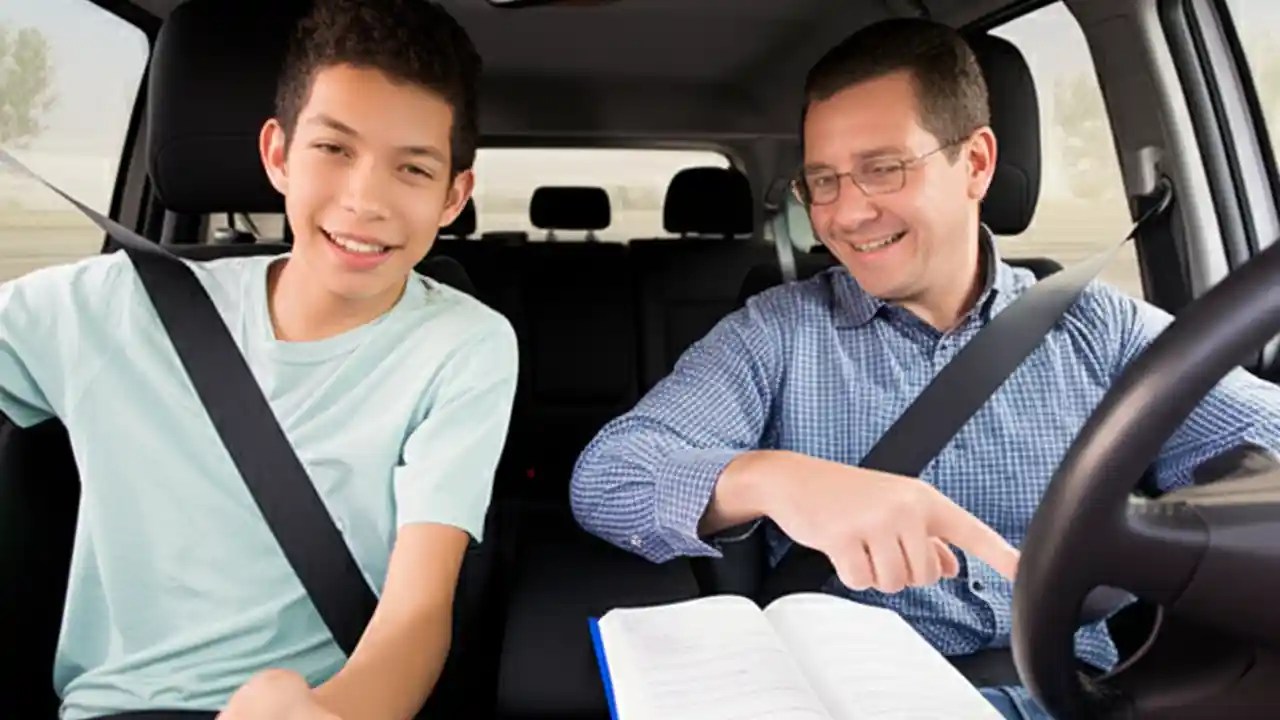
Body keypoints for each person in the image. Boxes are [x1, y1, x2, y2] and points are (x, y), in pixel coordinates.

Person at [568, 17, 1280, 720]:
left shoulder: (1102, 329)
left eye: (882, 169)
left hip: (1065, 694)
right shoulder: (775, 334)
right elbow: (607, 477)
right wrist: (779, 479)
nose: (847, 213)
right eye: (822, 181)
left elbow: (1264, 461)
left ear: (974, 163)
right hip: (841, 692)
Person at [0, 1, 518, 718]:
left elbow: (418, 612)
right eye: (334, 150)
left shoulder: (465, 344)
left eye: (412, 168)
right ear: (277, 154)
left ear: (453, 197)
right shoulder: (108, 304)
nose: (365, 199)